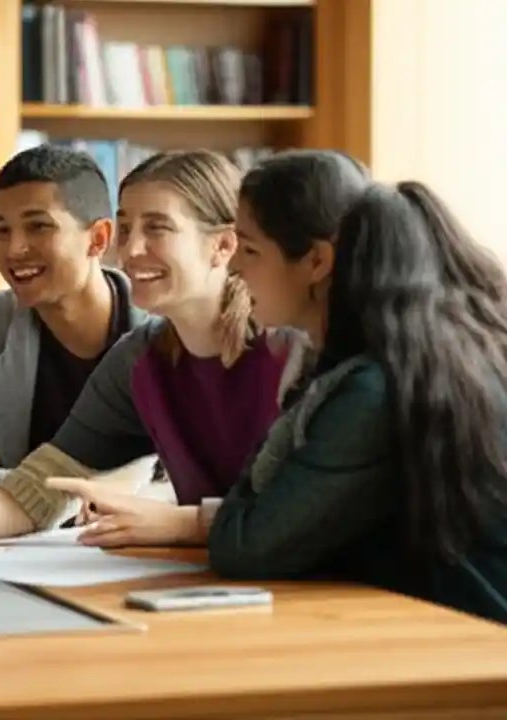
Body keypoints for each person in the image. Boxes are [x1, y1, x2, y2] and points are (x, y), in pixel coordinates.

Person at [0, 149, 310, 548]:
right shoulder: (139, 359)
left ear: (223, 245)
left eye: (158, 228)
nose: (131, 251)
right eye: (127, 230)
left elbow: (303, 506)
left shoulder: (291, 349)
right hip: (218, 580)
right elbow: (31, 493)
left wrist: (179, 523)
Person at [209, 159, 507, 623]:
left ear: (316, 262)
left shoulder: (373, 390)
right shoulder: (436, 358)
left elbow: (242, 544)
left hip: (470, 651)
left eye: (249, 249)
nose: (232, 267)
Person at [0, 144, 155, 498]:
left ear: (98, 239)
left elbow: (189, 481)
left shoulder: (166, 329)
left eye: (38, 227)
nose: (14, 249)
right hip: (29, 547)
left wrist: (30, 491)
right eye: (2, 231)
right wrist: (93, 492)